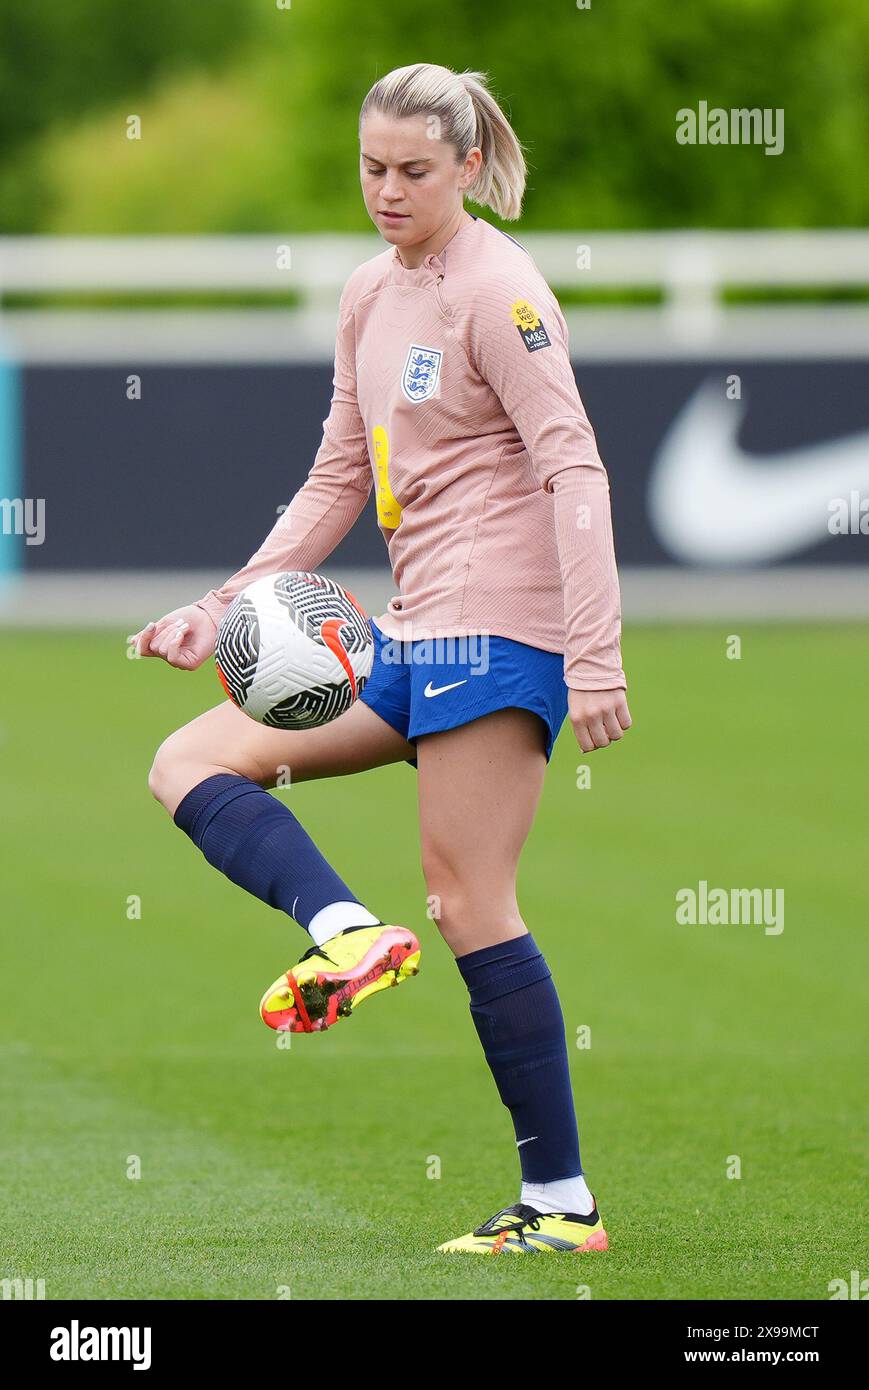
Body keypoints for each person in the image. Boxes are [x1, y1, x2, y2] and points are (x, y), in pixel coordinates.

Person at [133, 61, 631, 1256]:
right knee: (188, 760)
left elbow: (574, 467)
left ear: (466, 166)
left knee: (467, 900)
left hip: (503, 631)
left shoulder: (500, 292)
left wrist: (596, 654)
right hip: (410, 628)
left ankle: (559, 1205)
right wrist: (224, 602)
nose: (388, 190)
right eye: (371, 168)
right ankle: (346, 932)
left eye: (414, 170)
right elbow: (338, 477)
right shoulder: (367, 293)